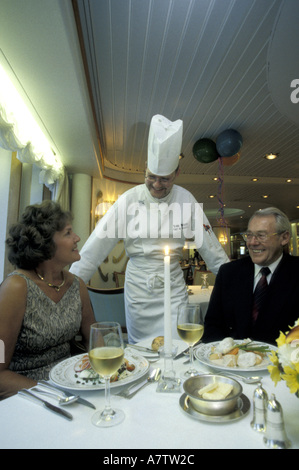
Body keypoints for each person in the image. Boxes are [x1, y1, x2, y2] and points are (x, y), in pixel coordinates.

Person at [70, 115, 229, 343]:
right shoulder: (128, 200)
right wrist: (68, 284)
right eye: (151, 177)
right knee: (144, 350)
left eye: (164, 179)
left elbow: (211, 248)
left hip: (173, 287)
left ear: (177, 173)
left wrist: (236, 283)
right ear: (144, 170)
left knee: (179, 345)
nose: (156, 185)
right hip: (139, 291)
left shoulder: (186, 200)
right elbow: (97, 245)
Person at [0, 201, 95, 399]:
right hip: (28, 395)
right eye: (68, 233)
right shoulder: (16, 288)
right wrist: (54, 394)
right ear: (45, 243)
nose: (77, 238)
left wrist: (105, 371)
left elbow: (95, 337)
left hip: (71, 386)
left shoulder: (77, 285)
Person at [202, 207, 299, 345]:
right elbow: (213, 326)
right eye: (249, 235)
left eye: (261, 235)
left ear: (284, 237)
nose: (252, 242)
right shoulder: (229, 272)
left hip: (280, 364)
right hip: (231, 362)